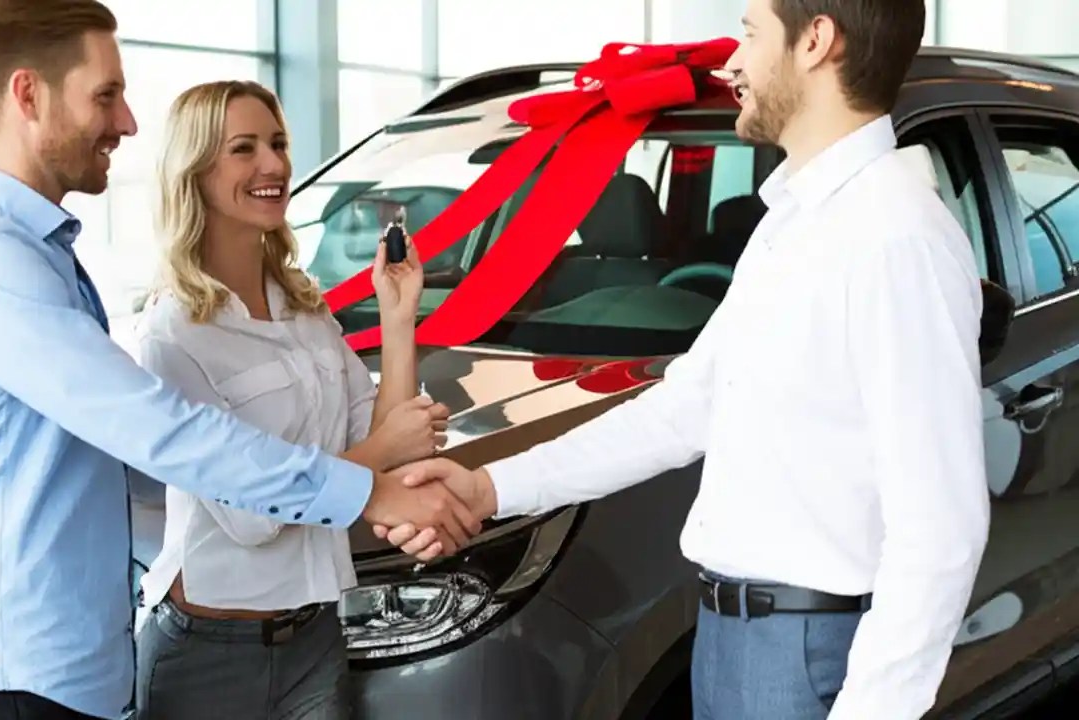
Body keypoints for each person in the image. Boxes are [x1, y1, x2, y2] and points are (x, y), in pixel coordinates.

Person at [377, 1, 990, 718]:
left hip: (806, 652)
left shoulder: (894, 238)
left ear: (816, 41)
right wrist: (489, 490)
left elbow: (941, 528)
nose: (732, 61)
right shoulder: (794, 223)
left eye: (752, 35)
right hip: (737, 640)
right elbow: (683, 408)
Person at [0, 2, 477, 719]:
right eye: (105, 95)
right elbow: (165, 434)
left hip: (81, 669)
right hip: (21, 681)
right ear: (27, 95)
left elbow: (132, 470)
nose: (128, 122)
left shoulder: (39, 256)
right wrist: (373, 485)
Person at [130, 80, 443, 719]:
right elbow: (254, 520)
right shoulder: (173, 334)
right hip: (210, 653)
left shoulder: (301, 304)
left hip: (316, 637)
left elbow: (380, 435)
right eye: (243, 149)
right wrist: (386, 447)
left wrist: (397, 318)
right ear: (195, 173)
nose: (273, 165)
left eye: (276, 144)